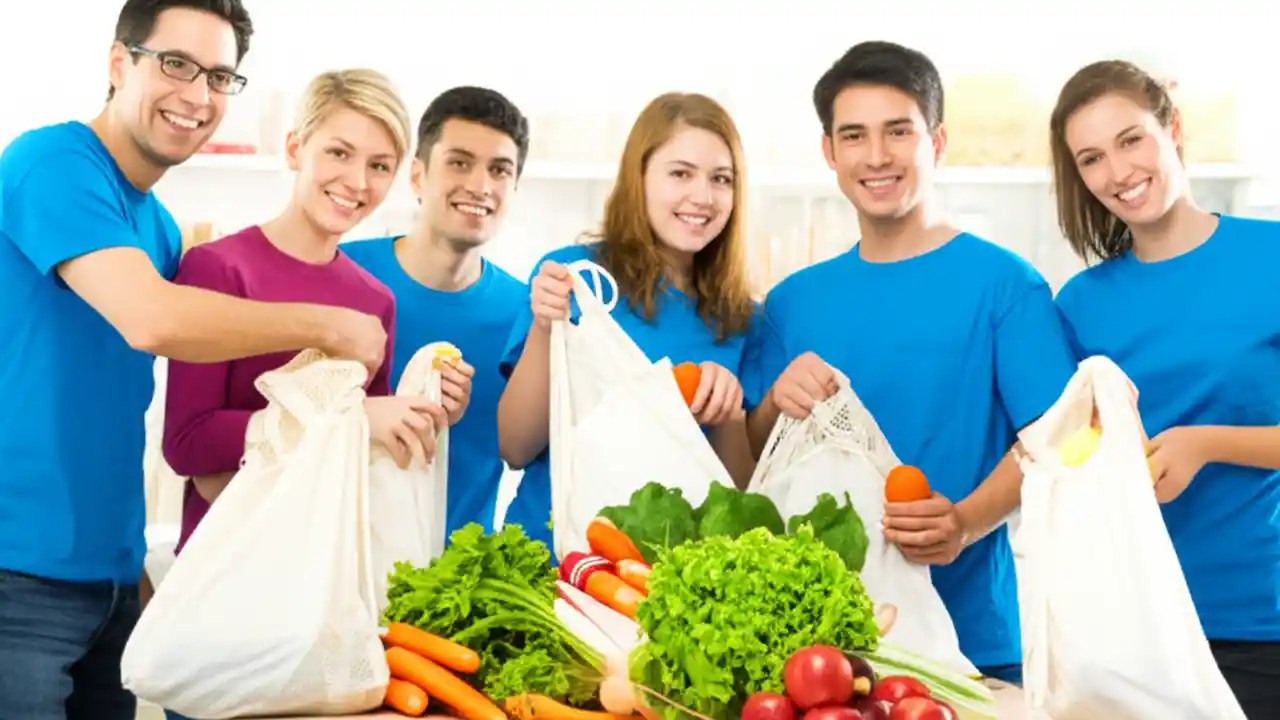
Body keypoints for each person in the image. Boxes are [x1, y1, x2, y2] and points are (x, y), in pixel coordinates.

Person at [0, 2, 387, 717]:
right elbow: (152, 320)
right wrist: (331, 329)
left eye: (218, 76)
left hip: (113, 583)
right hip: (15, 583)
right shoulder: (49, 163)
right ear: (119, 64)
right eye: (175, 64)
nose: (197, 95)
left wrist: (143, 579)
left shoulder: (159, 226)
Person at [741, 41, 1077, 683]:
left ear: (938, 141)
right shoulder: (791, 303)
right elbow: (755, 460)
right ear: (829, 152)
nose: (876, 156)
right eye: (854, 135)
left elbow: (1053, 439)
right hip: (817, 651)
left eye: (899, 131)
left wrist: (965, 523)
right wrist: (772, 405)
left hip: (972, 639)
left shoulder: (1005, 284)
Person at [1050, 59, 1280, 716]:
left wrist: (1205, 443)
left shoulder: (1272, 259)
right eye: (1091, 158)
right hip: (1127, 632)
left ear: (1172, 128)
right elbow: (1063, 452)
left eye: (1131, 140)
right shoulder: (1079, 305)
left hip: (1259, 624)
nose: (1118, 173)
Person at [163, 68, 450, 557]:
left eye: (380, 166)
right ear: (296, 149)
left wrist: (426, 410)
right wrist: (353, 420)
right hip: (222, 570)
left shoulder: (375, 301)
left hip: (325, 572)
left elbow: (367, 464)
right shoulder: (216, 270)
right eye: (339, 153)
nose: (357, 182)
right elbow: (188, 444)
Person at [496, 92, 758, 549]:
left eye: (722, 179)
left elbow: (738, 498)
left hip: (667, 585)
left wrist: (729, 411)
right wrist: (543, 326)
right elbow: (516, 447)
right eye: (680, 173)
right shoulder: (577, 280)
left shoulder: (741, 318)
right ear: (639, 178)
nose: (703, 196)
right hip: (552, 565)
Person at [344, 86, 529, 539]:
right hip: (343, 571)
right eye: (460, 163)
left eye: (500, 170)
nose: (480, 186)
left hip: (457, 585)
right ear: (418, 176)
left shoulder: (527, 315)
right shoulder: (342, 274)